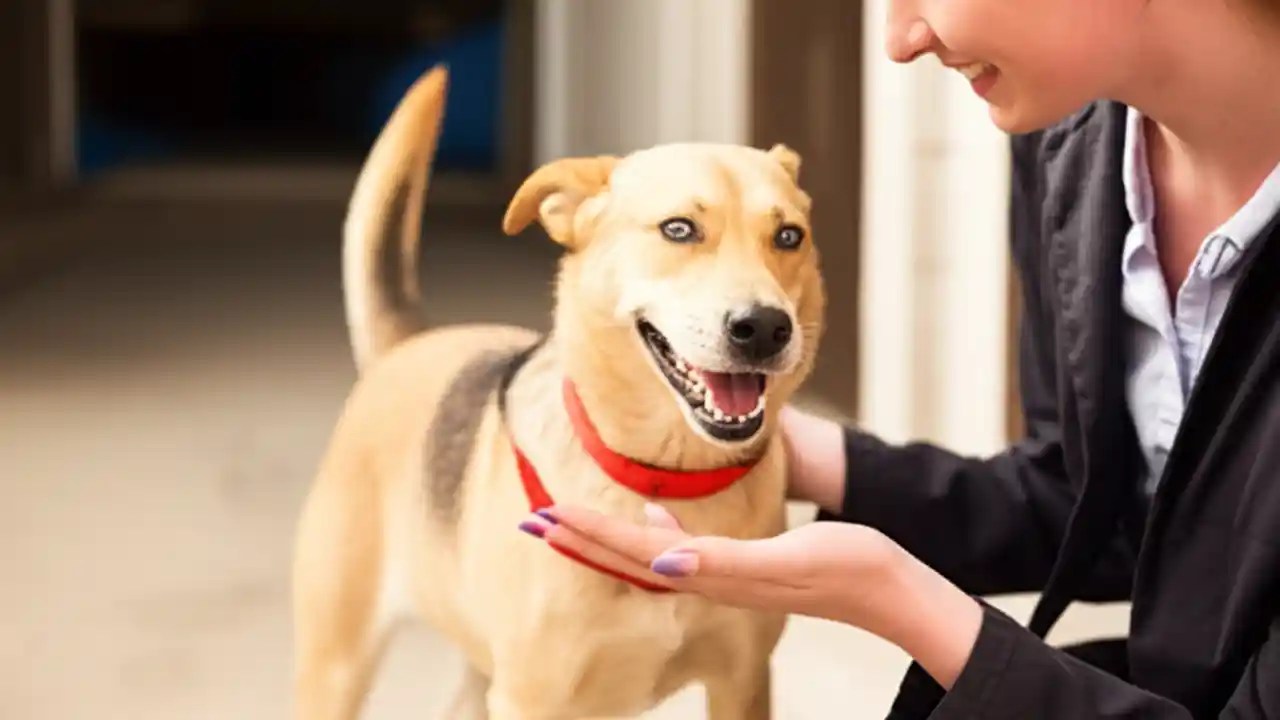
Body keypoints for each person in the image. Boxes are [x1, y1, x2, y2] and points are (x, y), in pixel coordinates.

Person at [518, 0, 1280, 716]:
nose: (899, 39)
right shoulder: (1073, 151)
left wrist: (900, 600)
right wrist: (814, 456)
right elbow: (1097, 507)